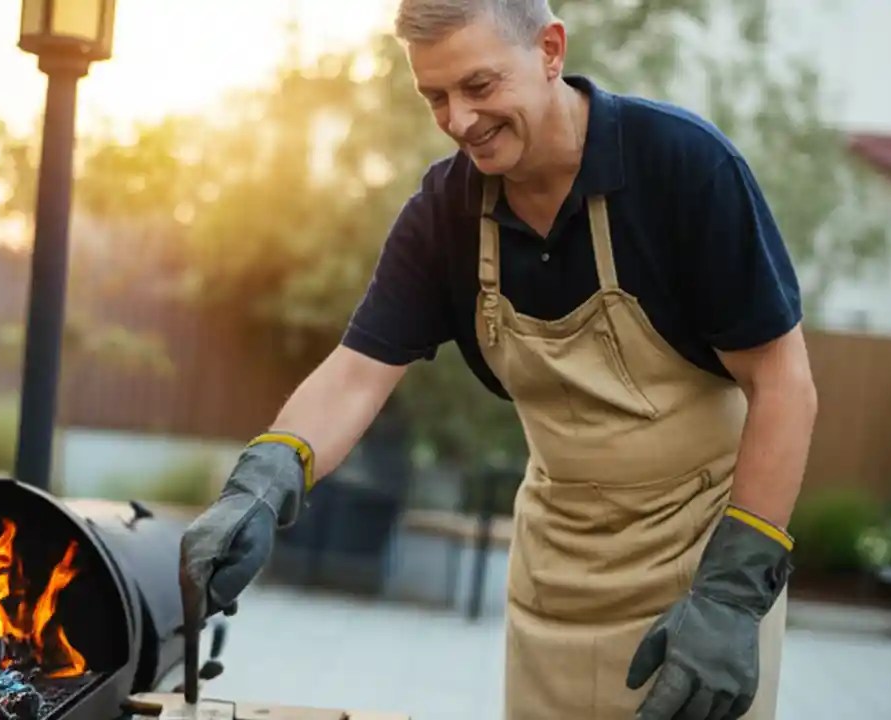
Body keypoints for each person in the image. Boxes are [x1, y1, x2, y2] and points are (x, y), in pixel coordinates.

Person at [178, 1, 818, 718]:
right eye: (435, 97)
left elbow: (783, 383)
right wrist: (262, 480)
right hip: (558, 568)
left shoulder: (683, 167)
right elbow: (358, 371)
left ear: (550, 51)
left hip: (703, 558)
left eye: (479, 86)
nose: (458, 120)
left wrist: (732, 595)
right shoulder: (445, 212)